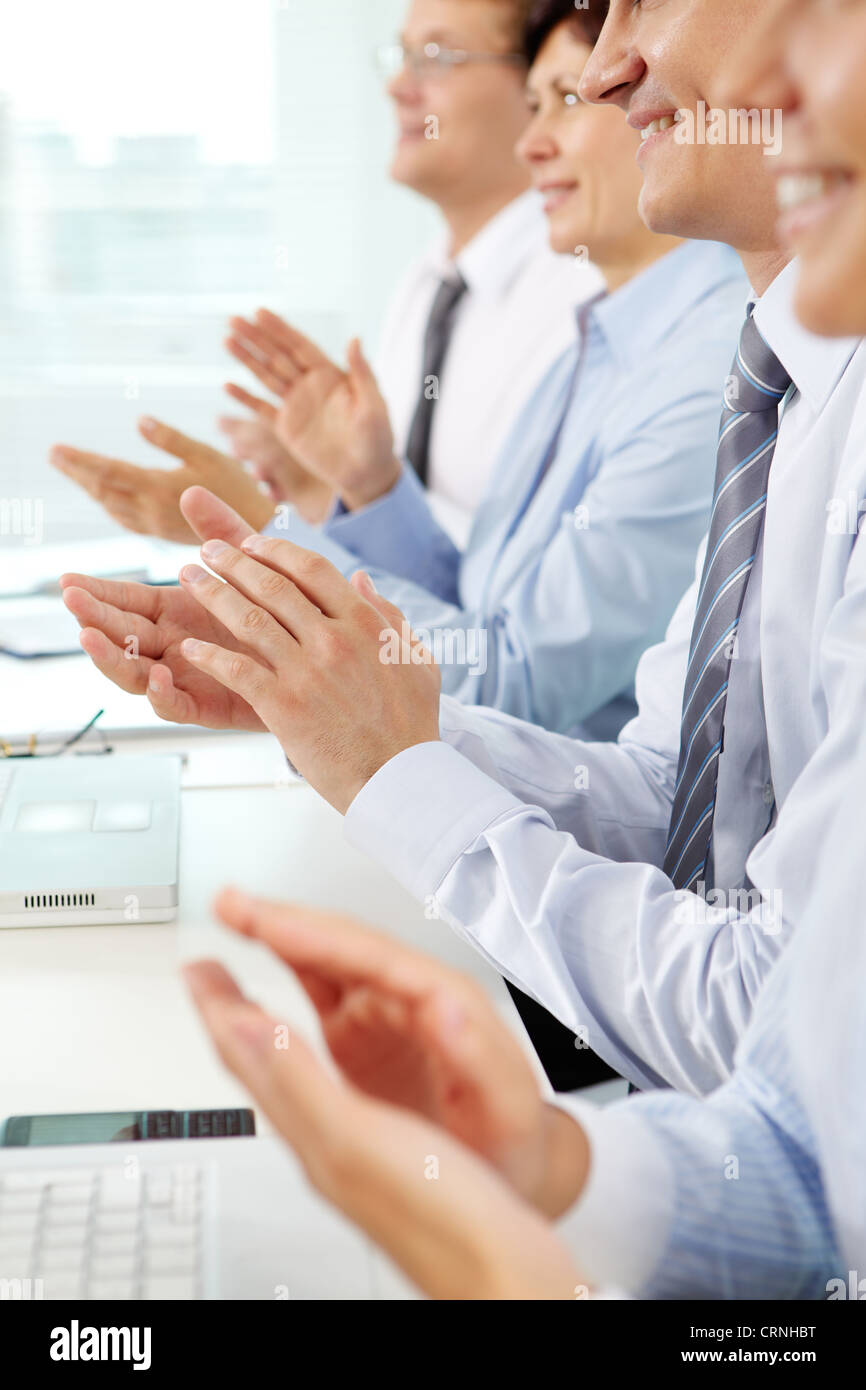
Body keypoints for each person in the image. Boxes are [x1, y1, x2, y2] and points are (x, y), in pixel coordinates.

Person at [61, 0, 866, 1102]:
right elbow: (676, 793)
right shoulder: (757, 381)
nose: (602, 77)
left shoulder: (726, 375)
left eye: (647, 2)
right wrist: (318, 691)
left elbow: (764, 1023)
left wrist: (383, 753)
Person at [50, 0, 592, 543]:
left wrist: (257, 521)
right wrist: (321, 486)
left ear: (536, 82)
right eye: (402, 56)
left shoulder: (587, 297)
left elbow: (519, 572)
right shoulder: (427, 282)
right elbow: (406, 546)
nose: (398, 86)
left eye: (435, 55)